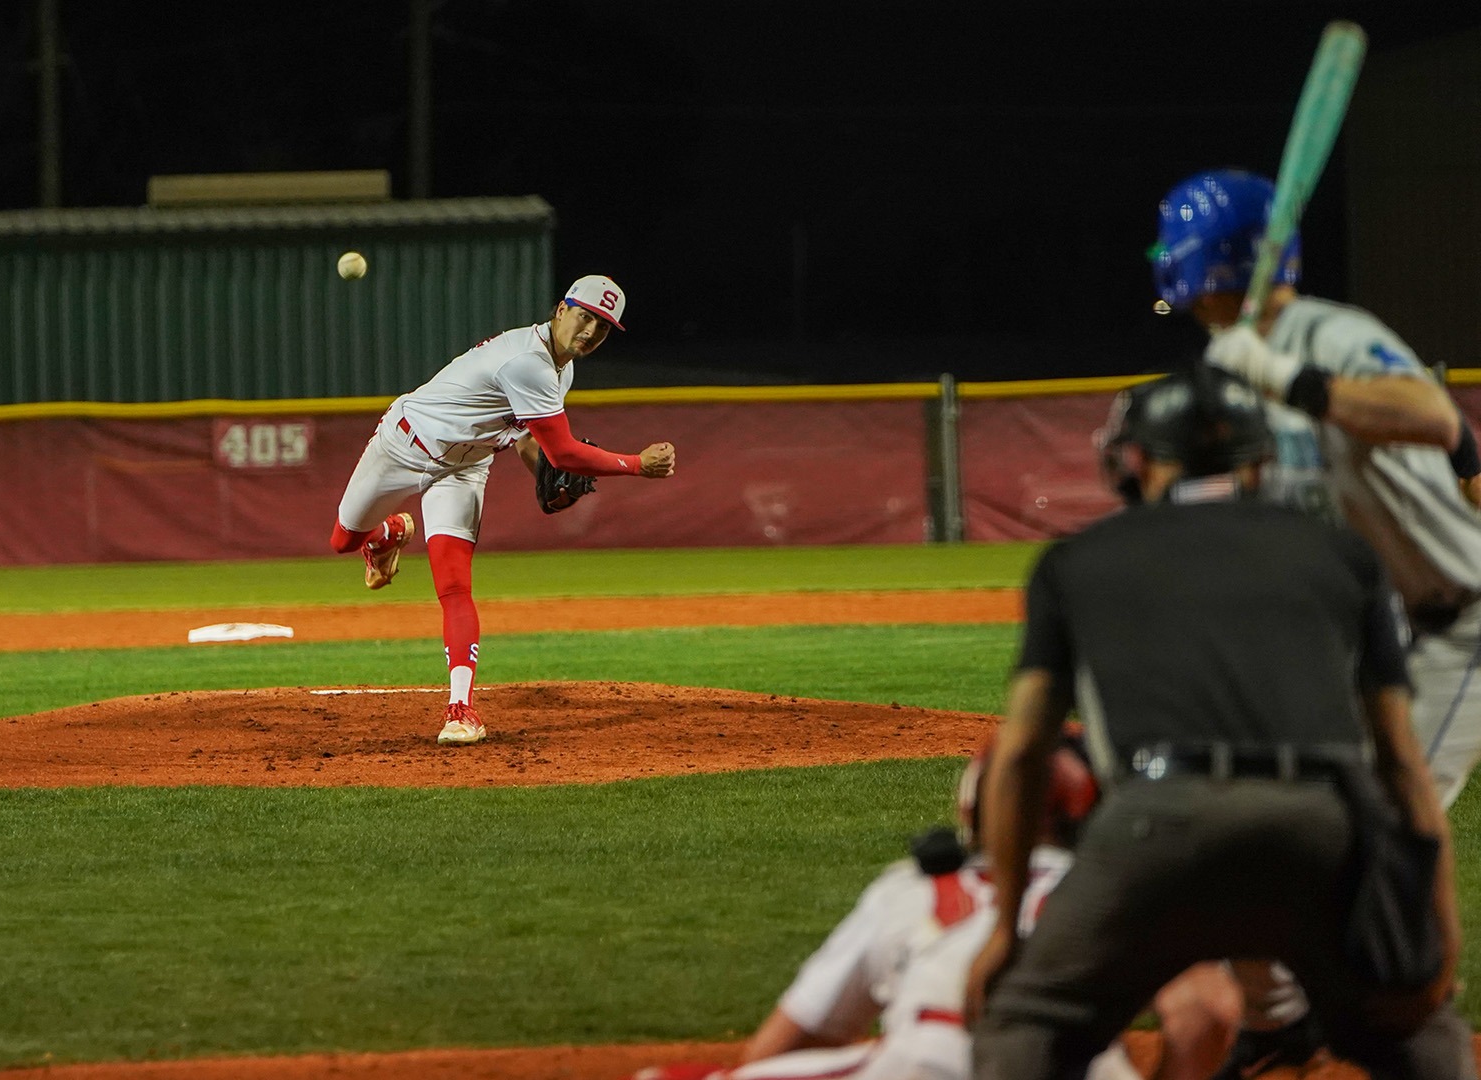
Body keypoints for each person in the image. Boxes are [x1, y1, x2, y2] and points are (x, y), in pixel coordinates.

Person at [964, 369, 1471, 1080]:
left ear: (1135, 459)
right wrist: (1435, 930)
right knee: (1417, 1034)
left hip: (1154, 823)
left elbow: (1021, 755)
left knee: (1025, 1026)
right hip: (1321, 825)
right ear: (1261, 462)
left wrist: (1005, 926)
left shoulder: (1075, 560)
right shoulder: (1343, 554)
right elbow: (1400, 762)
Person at [1150, 168, 1481, 1076]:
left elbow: (1427, 411)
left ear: (1213, 257)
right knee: (1239, 811)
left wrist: (1299, 382)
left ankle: (1419, 1019)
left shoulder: (1327, 333)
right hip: (1353, 634)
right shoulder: (1224, 366)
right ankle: (1275, 1018)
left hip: (1456, 627)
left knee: (1377, 822)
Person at [627, 731, 1146, 1080]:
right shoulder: (1126, 893)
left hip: (927, 1060)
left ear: (974, 806)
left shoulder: (913, 887)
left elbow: (779, 1046)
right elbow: (1205, 1013)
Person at [328, 275, 677, 745]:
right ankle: (386, 534)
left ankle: (461, 709)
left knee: (454, 586)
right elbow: (568, 454)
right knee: (342, 541)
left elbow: (530, 440)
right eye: (586, 316)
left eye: (604, 326)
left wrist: (545, 474)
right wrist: (637, 465)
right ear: (561, 310)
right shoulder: (527, 361)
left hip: (465, 467)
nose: (592, 331)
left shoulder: (562, 367)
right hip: (403, 446)